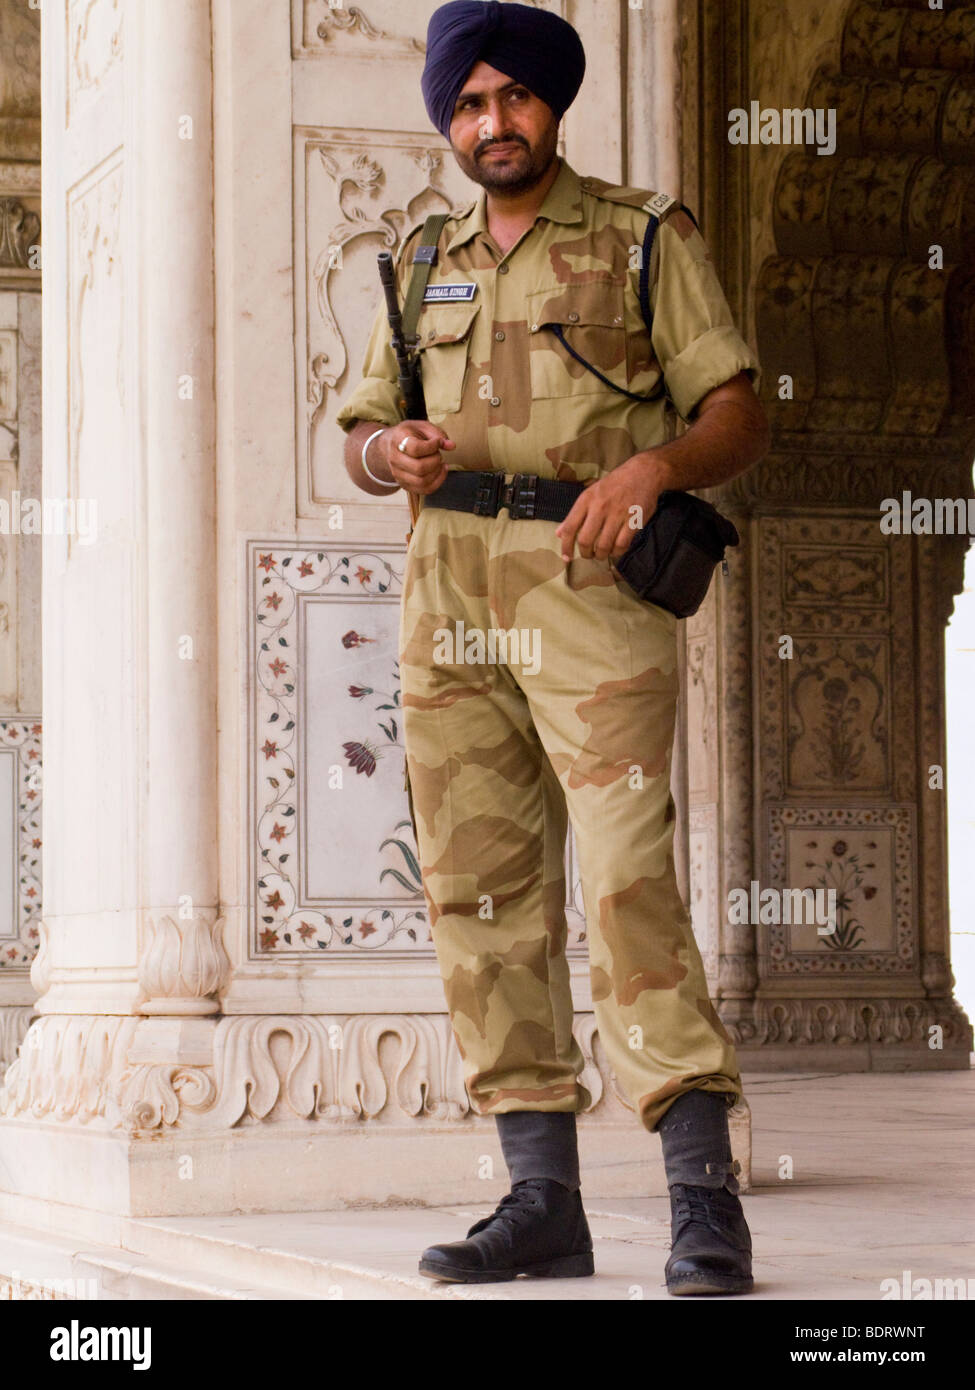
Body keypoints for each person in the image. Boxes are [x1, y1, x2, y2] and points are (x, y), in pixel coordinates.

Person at [336, 0, 770, 1294]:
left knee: (628, 872)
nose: (492, 123)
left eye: (513, 98)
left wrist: (653, 464)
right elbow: (361, 423)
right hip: (449, 587)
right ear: (447, 121)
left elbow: (736, 410)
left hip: (592, 586)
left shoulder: (643, 237)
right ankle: (542, 1202)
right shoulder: (417, 262)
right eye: (468, 105)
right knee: (477, 890)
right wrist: (385, 451)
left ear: (552, 106)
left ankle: (704, 1196)